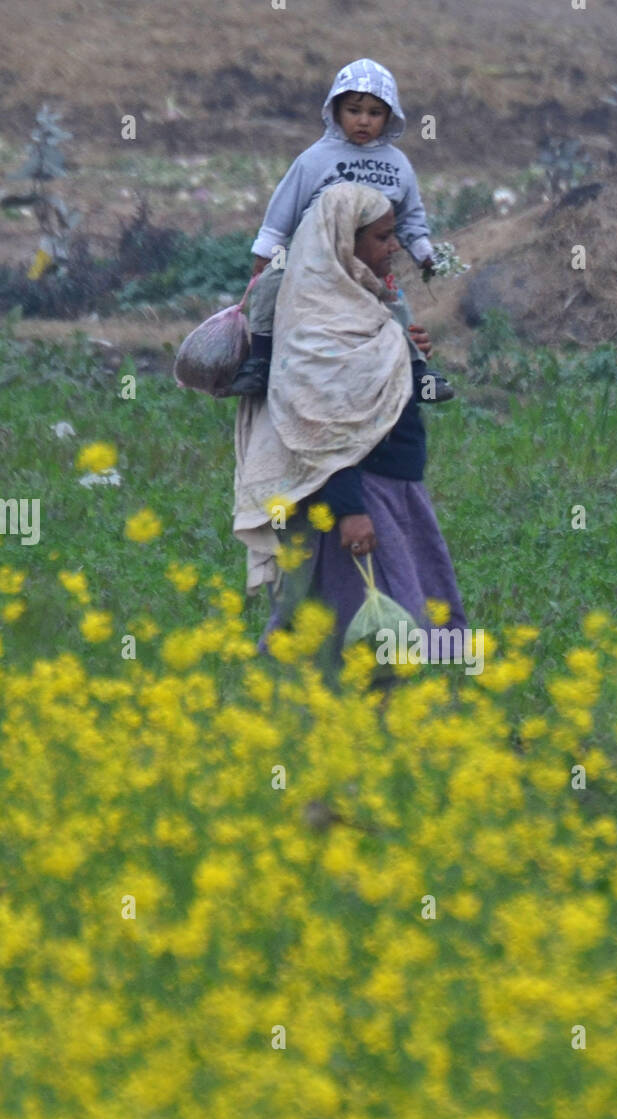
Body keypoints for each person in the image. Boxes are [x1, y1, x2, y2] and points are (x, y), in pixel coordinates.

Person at [232, 181, 467, 665]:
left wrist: (407, 350)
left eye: (395, 235)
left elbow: (387, 386)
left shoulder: (367, 301)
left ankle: (435, 704)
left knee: (393, 603)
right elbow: (323, 431)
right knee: (370, 623)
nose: (395, 247)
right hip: (356, 492)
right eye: (382, 238)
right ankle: (361, 715)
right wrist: (350, 510)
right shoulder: (317, 326)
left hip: (397, 484)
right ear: (344, 241)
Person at [225, 57, 454, 404]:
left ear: (389, 116)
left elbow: (410, 217)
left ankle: (417, 370)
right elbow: (283, 210)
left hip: (369, 262)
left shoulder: (397, 165)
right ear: (336, 110)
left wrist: (423, 251)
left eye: (375, 113)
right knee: (273, 283)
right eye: (354, 110)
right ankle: (260, 360)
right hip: (312, 255)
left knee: (395, 304)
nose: (364, 120)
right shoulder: (315, 159)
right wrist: (266, 251)